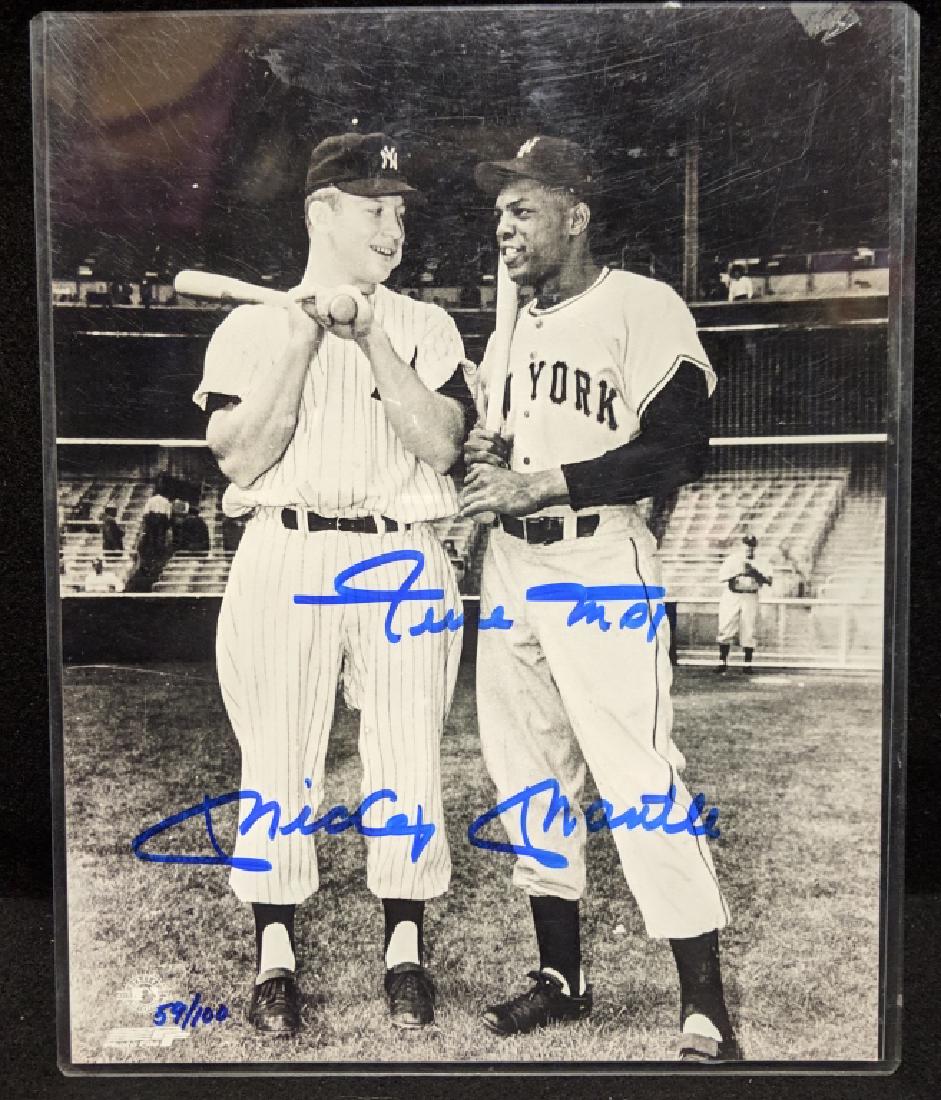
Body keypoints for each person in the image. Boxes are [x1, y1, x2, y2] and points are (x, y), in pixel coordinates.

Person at [461, 135, 741, 1062]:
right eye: (498, 212)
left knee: (637, 774)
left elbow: (680, 448)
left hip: (596, 562)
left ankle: (702, 999)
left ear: (575, 214)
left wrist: (540, 485)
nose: (503, 226)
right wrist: (490, 467)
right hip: (510, 568)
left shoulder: (640, 303)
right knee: (528, 775)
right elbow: (504, 450)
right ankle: (560, 978)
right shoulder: (511, 330)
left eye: (522, 209)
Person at [193, 131, 475, 1037]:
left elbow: (441, 444)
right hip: (288, 546)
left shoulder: (426, 323)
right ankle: (276, 957)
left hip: (402, 551)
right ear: (321, 212)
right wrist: (308, 335)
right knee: (277, 755)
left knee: (407, 755)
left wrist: (373, 338)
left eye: (399, 211)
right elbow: (239, 455)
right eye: (373, 208)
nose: (394, 227)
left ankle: (405, 952)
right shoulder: (250, 324)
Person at [715, 534, 773, 673]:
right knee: (726, 627)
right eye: (746, 545)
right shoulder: (732, 560)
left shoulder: (762, 562)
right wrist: (739, 572)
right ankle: (722, 662)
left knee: (749, 629)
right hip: (732, 595)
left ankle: (747, 665)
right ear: (741, 546)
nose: (749, 548)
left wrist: (754, 573)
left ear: (755, 547)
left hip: (750, 596)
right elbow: (722, 578)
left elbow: (769, 581)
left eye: (751, 546)